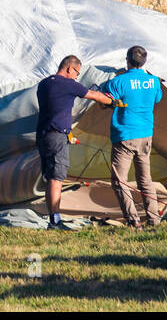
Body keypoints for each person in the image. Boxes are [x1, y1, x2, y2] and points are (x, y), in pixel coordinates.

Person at [35, 55, 113, 229]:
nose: (77, 76)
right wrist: (113, 101)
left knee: (51, 178)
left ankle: (53, 219)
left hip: (43, 136)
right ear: (69, 68)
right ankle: (55, 222)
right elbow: (94, 95)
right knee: (57, 179)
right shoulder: (68, 84)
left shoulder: (44, 84)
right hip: (57, 137)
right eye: (77, 72)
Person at [105, 46, 164, 228]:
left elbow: (106, 97)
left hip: (125, 135)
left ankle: (133, 220)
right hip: (146, 135)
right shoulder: (154, 81)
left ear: (127, 60)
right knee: (145, 180)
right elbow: (157, 99)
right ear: (145, 62)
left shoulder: (119, 81)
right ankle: (154, 219)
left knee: (119, 180)